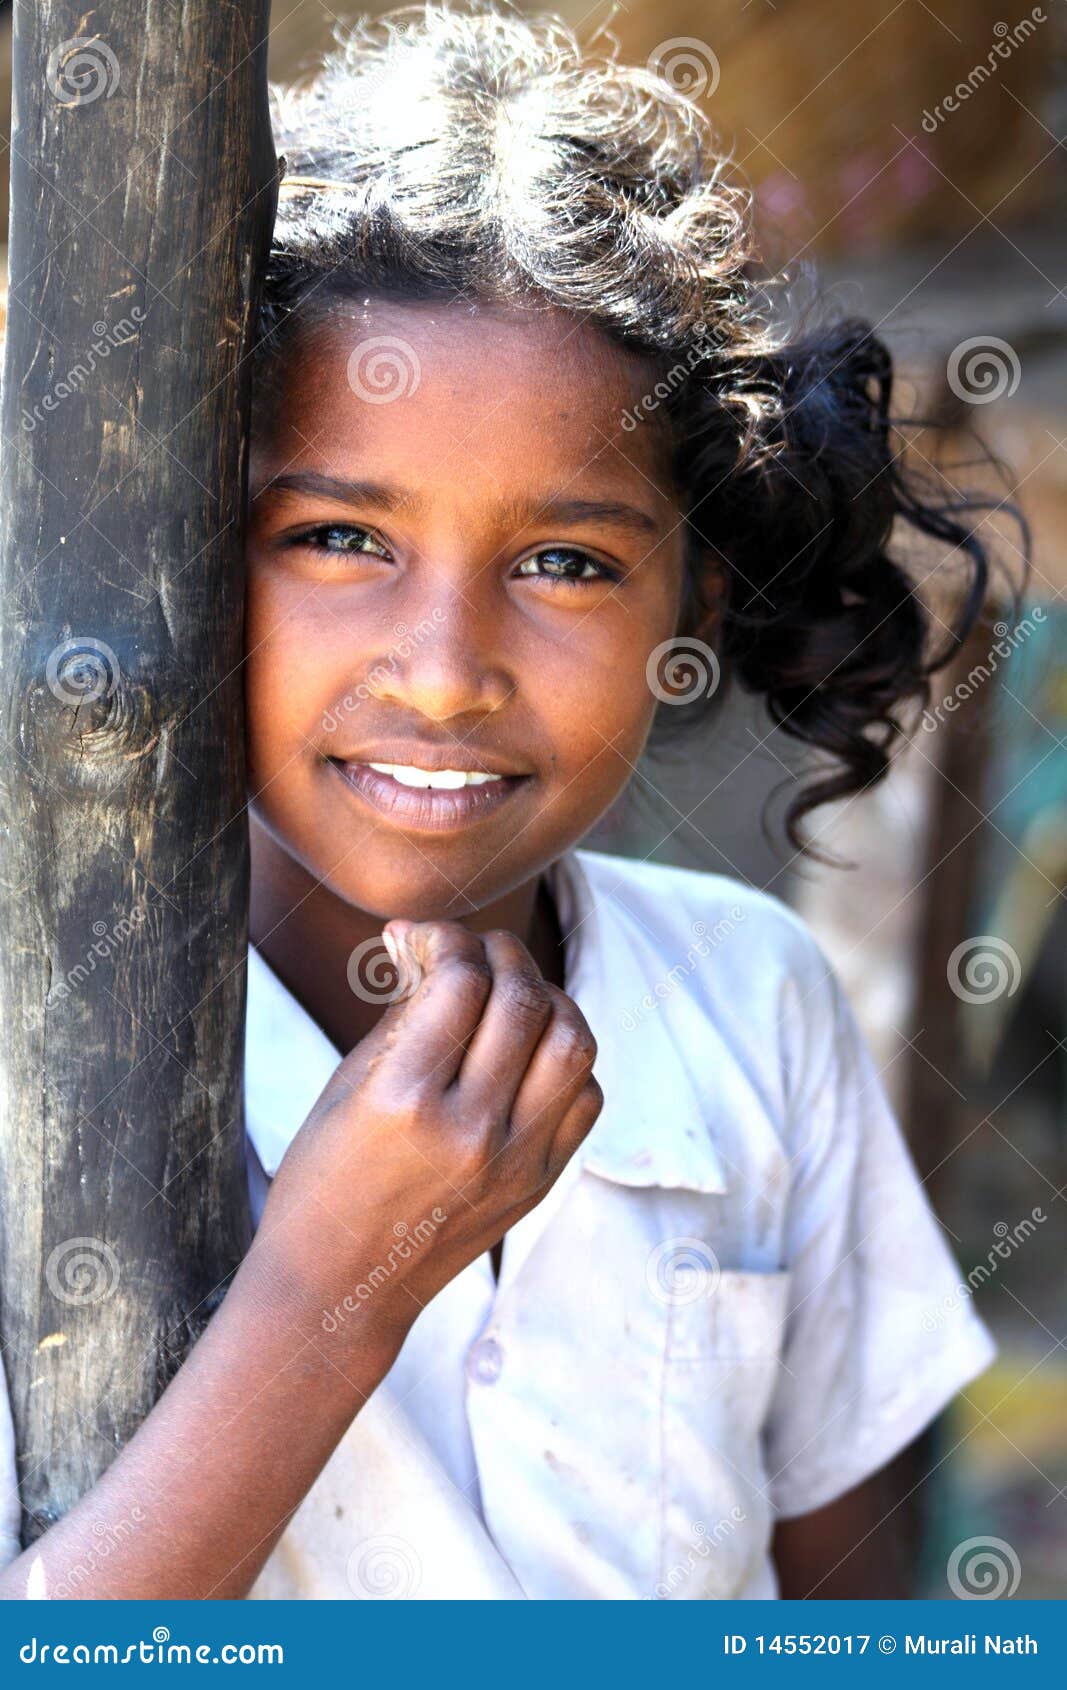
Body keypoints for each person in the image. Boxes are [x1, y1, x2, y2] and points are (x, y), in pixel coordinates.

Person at [0, 3, 1012, 1600]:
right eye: (338, 535)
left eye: (565, 562)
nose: (447, 669)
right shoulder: (25, 1073)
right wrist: (329, 1297)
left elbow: (851, 1619)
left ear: (697, 602)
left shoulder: (754, 1007)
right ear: (187, 548)